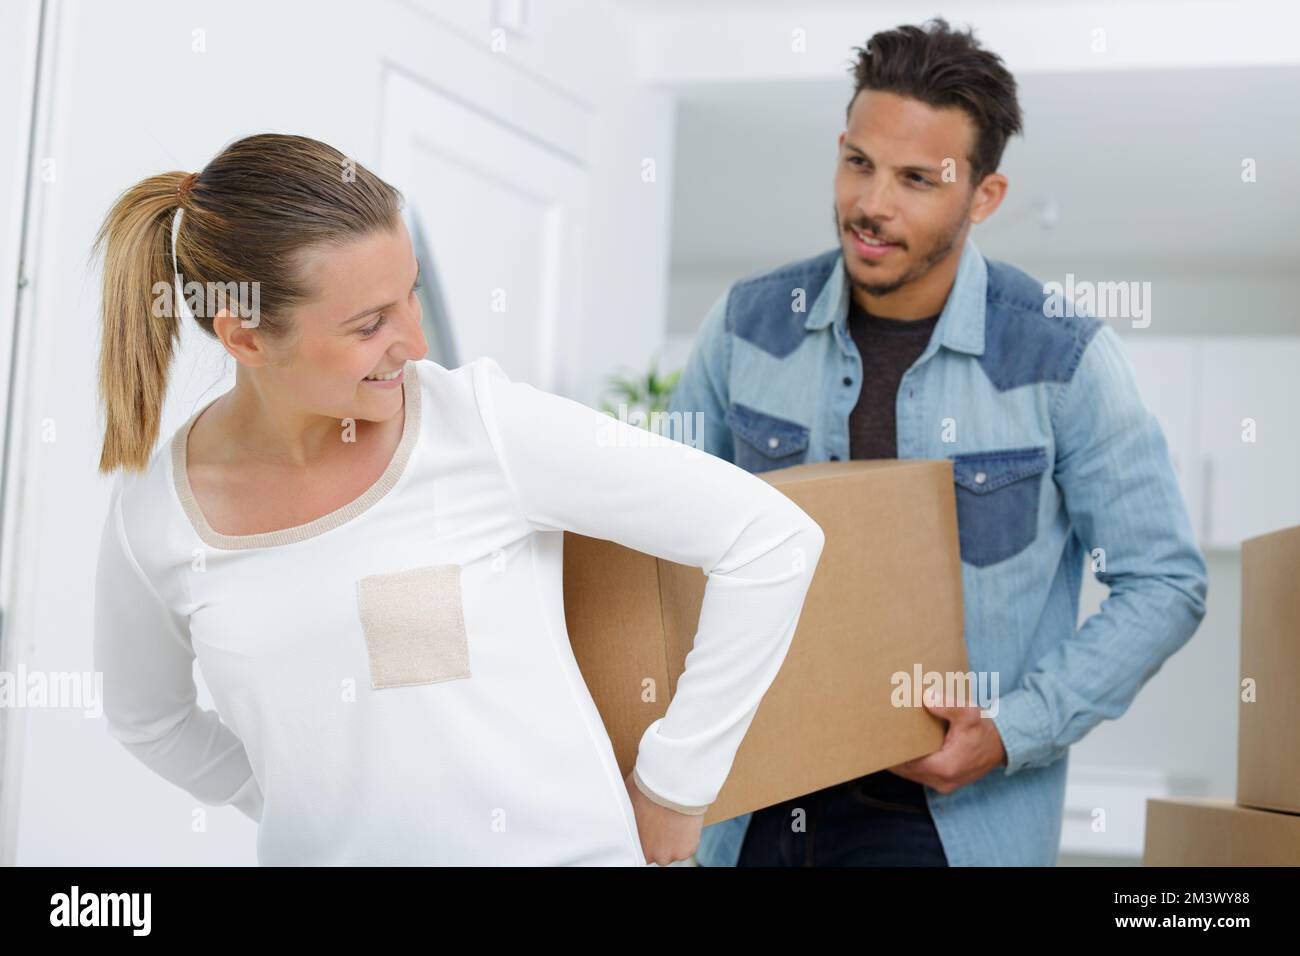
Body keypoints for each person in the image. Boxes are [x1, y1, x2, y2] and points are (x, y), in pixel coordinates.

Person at [90, 133, 824, 866]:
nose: (413, 338)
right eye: (369, 323)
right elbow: (148, 721)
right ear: (245, 338)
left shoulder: (479, 425)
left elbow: (769, 541)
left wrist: (675, 785)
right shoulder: (156, 519)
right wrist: (296, 802)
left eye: (409, 291)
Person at [669, 18, 1208, 866]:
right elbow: (666, 543)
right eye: (859, 164)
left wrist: (1005, 732)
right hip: (753, 811)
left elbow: (1165, 583)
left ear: (983, 196)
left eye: (917, 179)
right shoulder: (744, 328)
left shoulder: (1062, 357)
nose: (872, 205)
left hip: (946, 828)